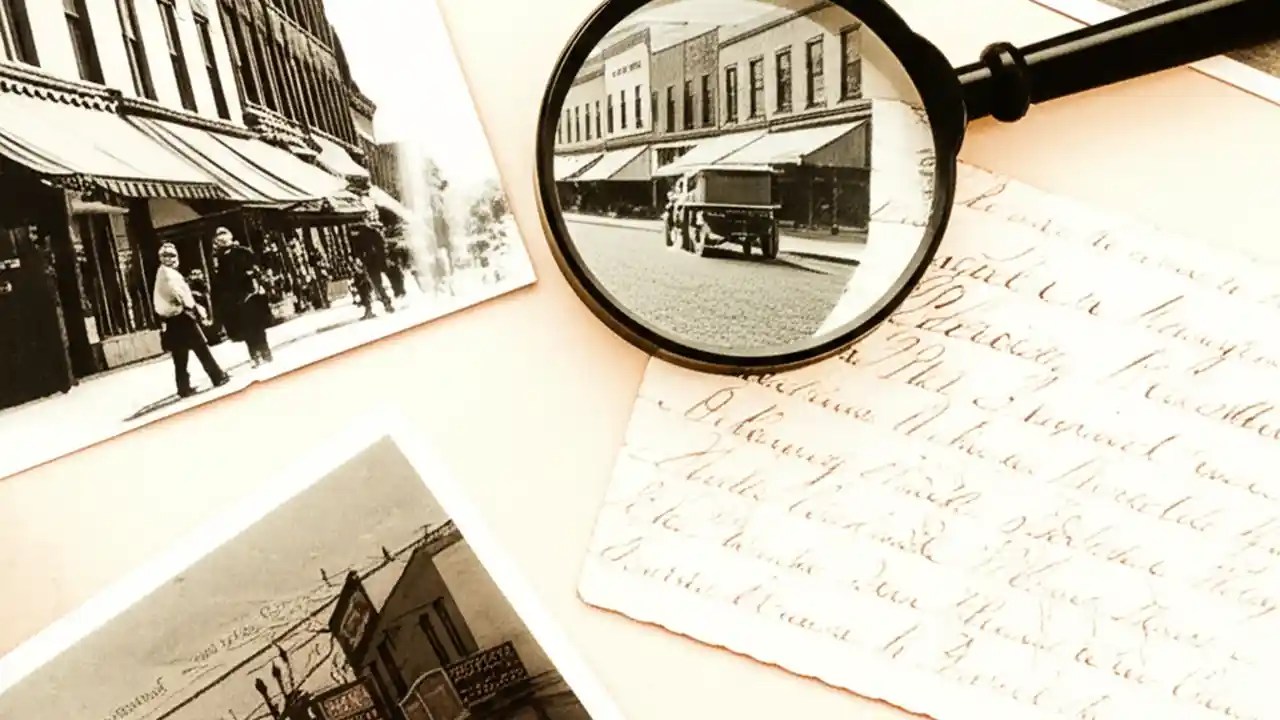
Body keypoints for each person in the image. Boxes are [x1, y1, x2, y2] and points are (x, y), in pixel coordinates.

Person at [152, 243, 229, 398]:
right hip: (182, 315)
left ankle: (183, 387)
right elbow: (179, 294)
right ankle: (218, 376)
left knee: (180, 355)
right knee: (201, 347)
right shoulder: (169, 274)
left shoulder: (163, 273)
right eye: (167, 256)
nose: (171, 259)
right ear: (162, 258)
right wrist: (192, 307)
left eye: (172, 255)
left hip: (173, 319)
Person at [212, 226, 274, 367]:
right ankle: (254, 355)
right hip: (236, 298)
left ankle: (265, 351)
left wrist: (252, 276)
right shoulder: (219, 259)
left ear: (230, 236)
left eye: (224, 235)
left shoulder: (243, 252)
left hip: (251, 293)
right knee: (246, 328)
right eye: (219, 237)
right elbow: (220, 280)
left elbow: (256, 268)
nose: (222, 239)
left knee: (258, 325)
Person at [347, 178, 395, 319]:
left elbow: (377, 245)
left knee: (373, 284)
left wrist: (365, 258)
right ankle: (372, 308)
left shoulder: (368, 228)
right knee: (364, 285)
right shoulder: (361, 228)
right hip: (364, 261)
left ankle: (385, 304)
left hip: (369, 261)